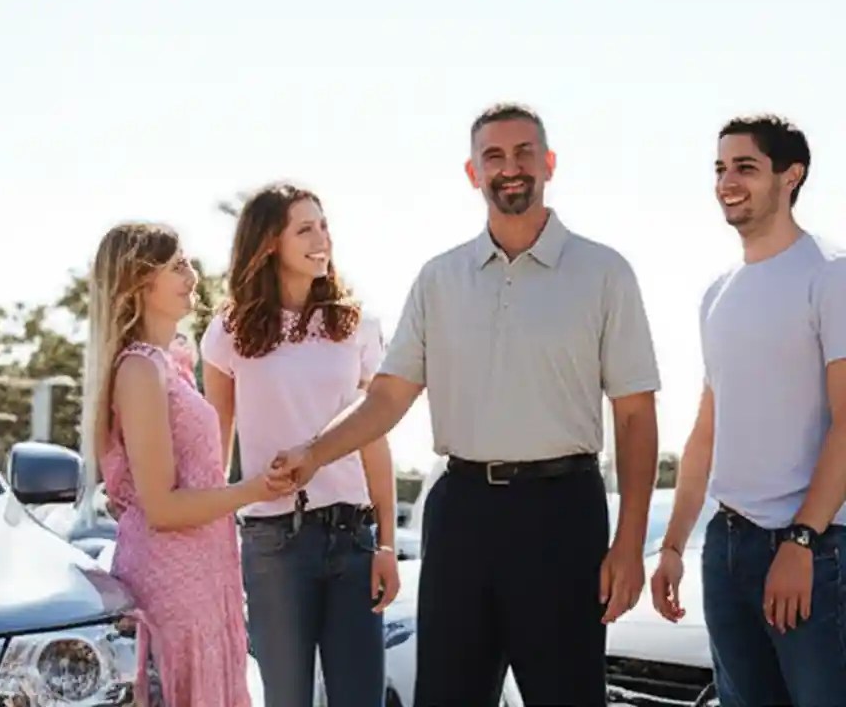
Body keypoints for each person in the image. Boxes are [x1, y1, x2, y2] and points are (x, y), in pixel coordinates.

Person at [269, 103, 661, 706]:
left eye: (524, 153)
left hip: (563, 516)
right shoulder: (438, 278)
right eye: (494, 157)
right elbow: (388, 396)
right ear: (473, 173)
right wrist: (314, 453)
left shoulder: (604, 273)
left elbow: (634, 415)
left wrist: (630, 541)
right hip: (463, 515)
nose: (511, 168)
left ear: (549, 164)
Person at [649, 114, 846, 705]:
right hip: (727, 549)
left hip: (813, 550)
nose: (727, 181)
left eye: (745, 167)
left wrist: (802, 541)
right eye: (720, 168)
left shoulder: (830, 275)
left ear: (791, 176)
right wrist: (674, 545)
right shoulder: (718, 293)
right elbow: (707, 432)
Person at [200, 182, 400, 707]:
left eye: (324, 225)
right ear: (270, 242)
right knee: (285, 700)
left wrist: (385, 544)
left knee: (360, 699)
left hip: (352, 538)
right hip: (273, 545)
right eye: (305, 228)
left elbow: (373, 433)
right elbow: (213, 451)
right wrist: (214, 539)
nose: (322, 239)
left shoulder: (356, 325)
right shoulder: (229, 331)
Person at [82, 220, 282, 707]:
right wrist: (256, 489)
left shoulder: (168, 365)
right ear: (138, 281)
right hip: (172, 590)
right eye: (177, 266)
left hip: (203, 578)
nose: (192, 275)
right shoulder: (139, 369)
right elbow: (163, 508)